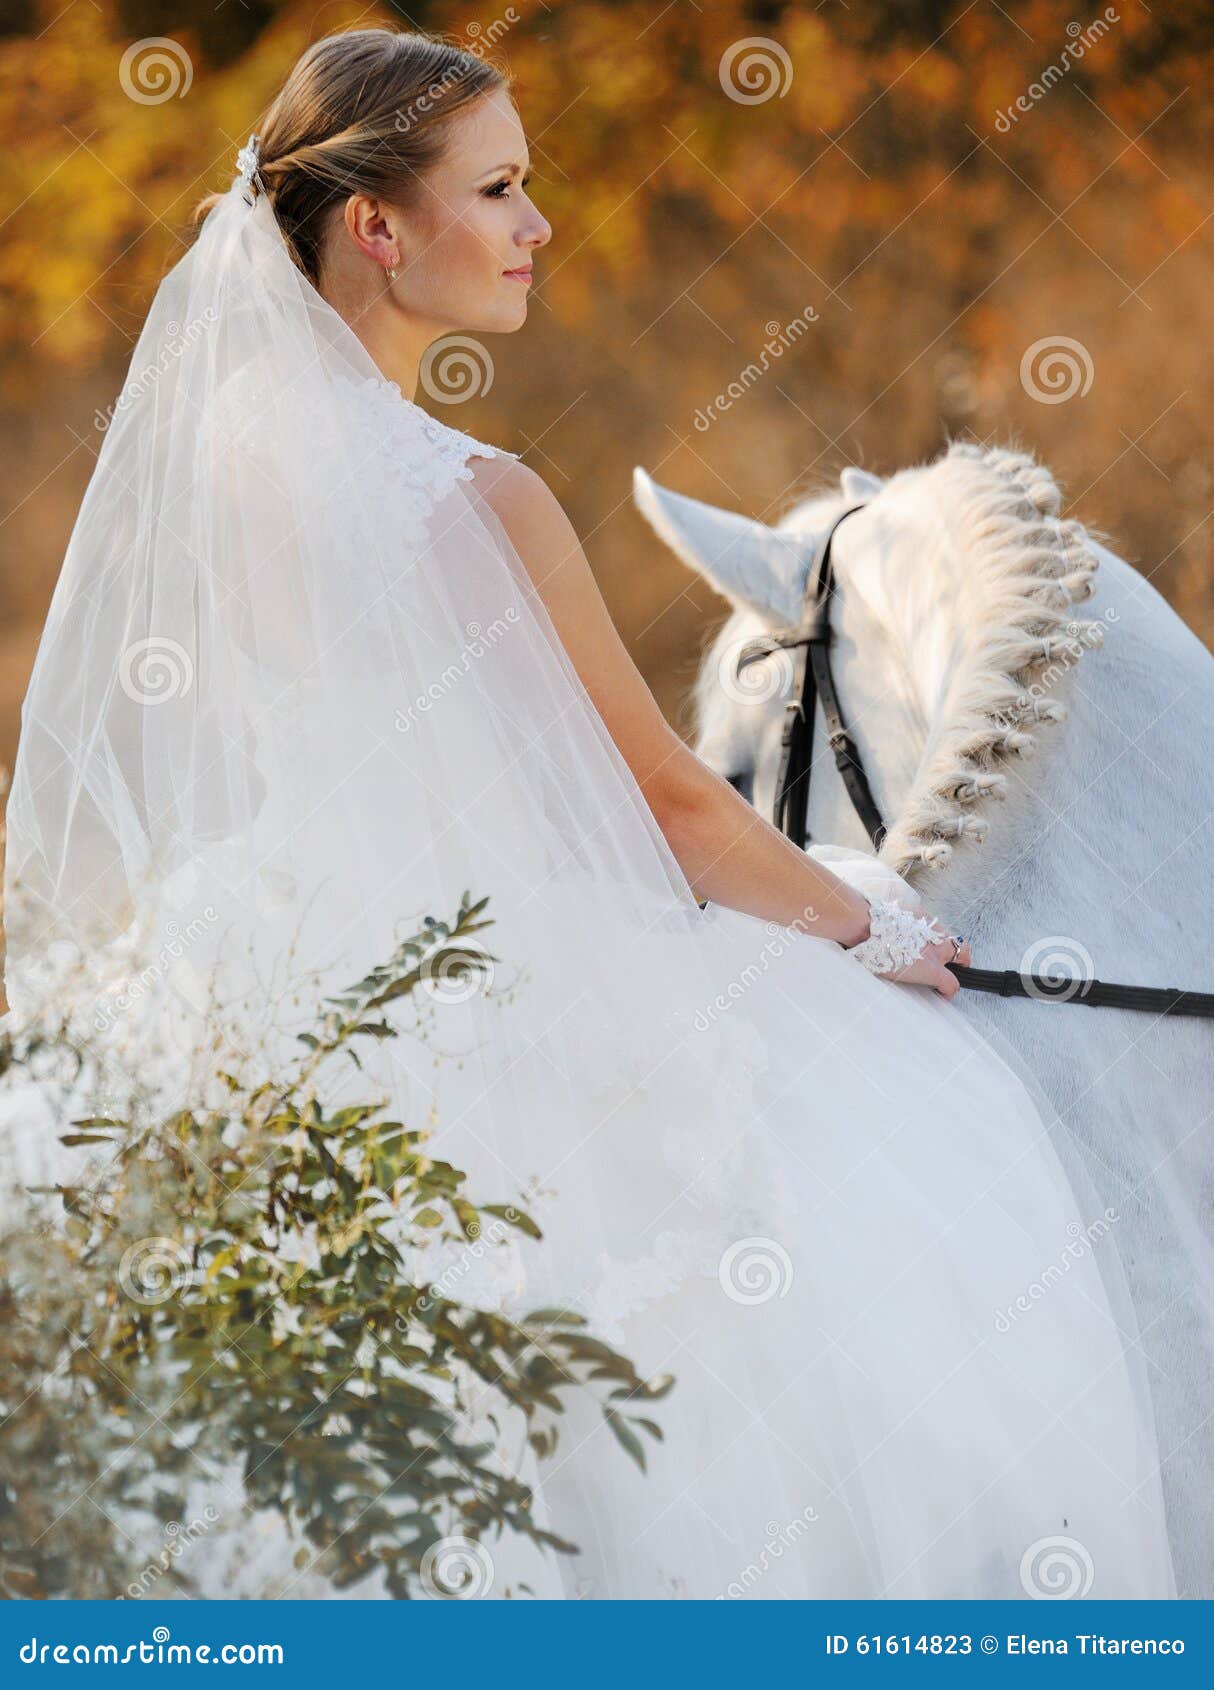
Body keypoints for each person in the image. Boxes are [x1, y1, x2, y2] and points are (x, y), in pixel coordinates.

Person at [0, 26, 1184, 1599]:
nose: (538, 227)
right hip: (493, 976)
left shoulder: (220, 462)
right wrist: (874, 918)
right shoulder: (475, 495)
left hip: (280, 953)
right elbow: (673, 801)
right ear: (376, 228)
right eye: (496, 190)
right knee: (900, 1170)